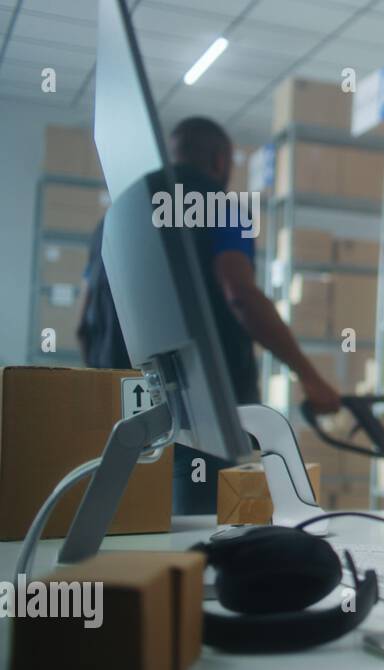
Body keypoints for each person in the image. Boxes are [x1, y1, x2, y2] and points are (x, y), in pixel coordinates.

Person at [76, 116, 342, 514]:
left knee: (134, 539)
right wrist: (310, 376)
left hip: (127, 424)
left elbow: (84, 327)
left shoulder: (112, 220)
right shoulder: (220, 205)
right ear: (220, 159)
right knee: (213, 544)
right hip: (210, 419)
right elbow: (239, 294)